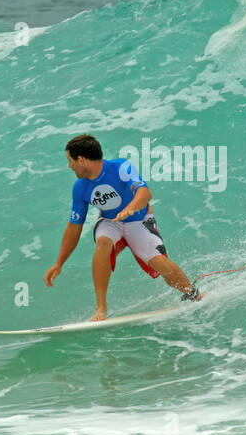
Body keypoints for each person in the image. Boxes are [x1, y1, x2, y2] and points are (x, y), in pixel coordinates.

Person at [45, 134, 201, 321]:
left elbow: (145, 193)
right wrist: (59, 263)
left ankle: (192, 294)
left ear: (81, 159)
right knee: (103, 243)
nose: (69, 166)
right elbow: (74, 227)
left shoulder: (121, 168)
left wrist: (130, 209)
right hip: (110, 223)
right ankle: (101, 308)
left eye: (70, 161)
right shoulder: (80, 188)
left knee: (159, 262)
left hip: (139, 219)